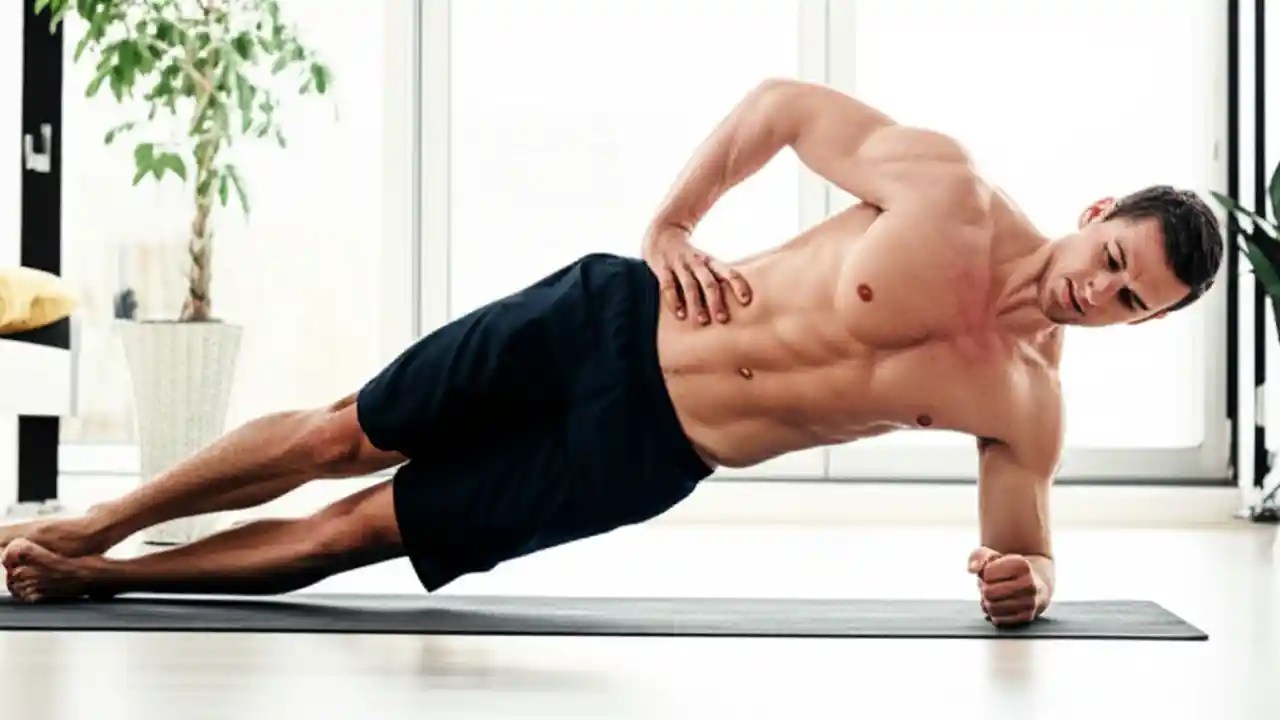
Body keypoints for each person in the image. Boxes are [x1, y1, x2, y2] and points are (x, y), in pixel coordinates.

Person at [0, 79, 1223, 626]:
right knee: (340, 432)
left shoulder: (1025, 405)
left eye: (1130, 302)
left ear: (1148, 326)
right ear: (1095, 209)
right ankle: (99, 526)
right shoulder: (948, 188)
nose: (1096, 290)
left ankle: (101, 581)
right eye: (1112, 257)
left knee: (356, 532)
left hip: (642, 451)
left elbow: (1024, 553)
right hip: (610, 318)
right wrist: (673, 222)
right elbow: (781, 108)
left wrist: (1034, 587)